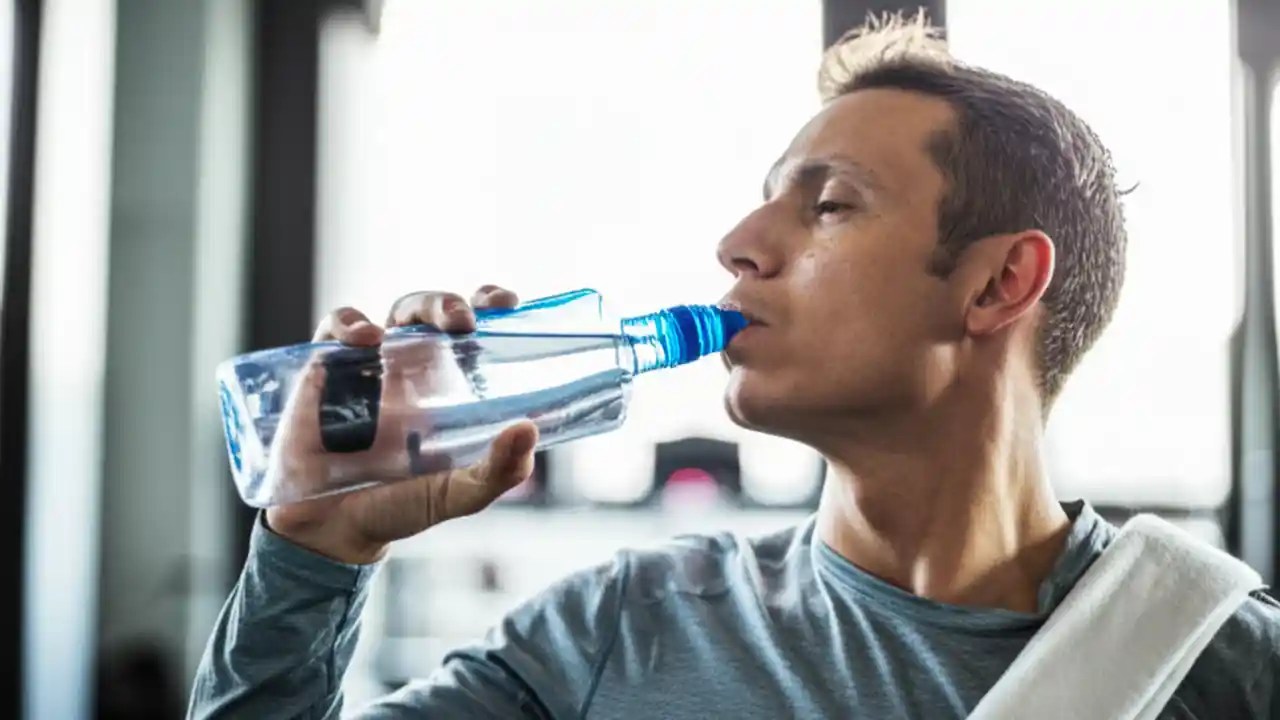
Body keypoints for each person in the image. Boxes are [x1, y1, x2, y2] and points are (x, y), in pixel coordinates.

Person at [189, 14, 1280, 719]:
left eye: (830, 205)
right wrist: (316, 559)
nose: (738, 244)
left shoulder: (1223, 665)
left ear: (998, 284)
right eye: (765, 200)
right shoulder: (616, 631)